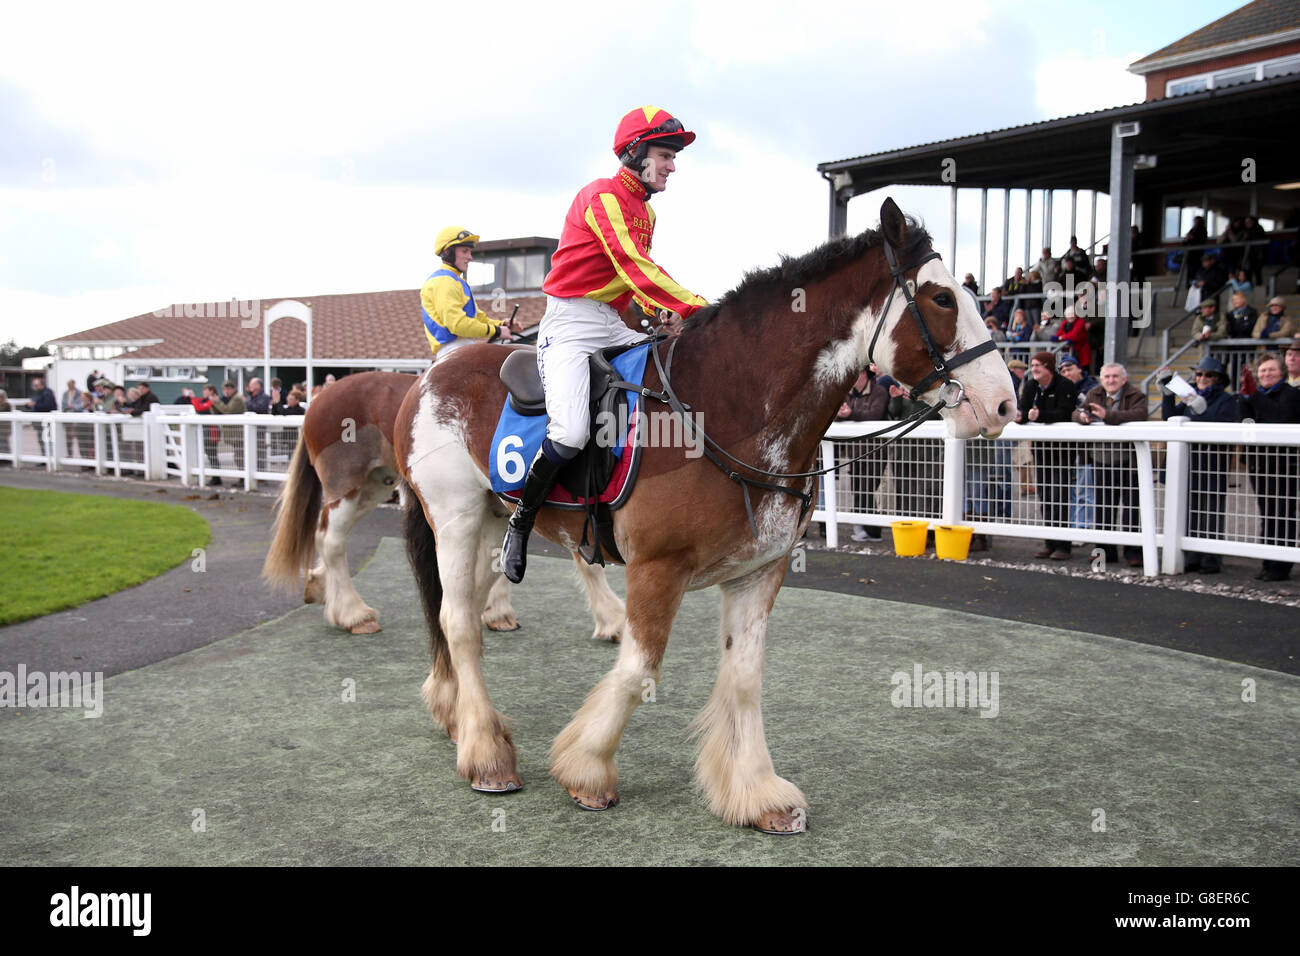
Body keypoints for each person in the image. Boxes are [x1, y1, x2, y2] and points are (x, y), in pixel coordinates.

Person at [500, 106, 707, 583]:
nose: (672, 165)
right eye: (665, 154)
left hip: (613, 323)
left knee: (674, 372)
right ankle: (521, 520)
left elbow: (632, 282)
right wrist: (701, 310)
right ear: (636, 153)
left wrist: (663, 315)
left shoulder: (645, 211)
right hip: (570, 325)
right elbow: (635, 267)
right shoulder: (601, 196)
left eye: (673, 156)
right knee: (570, 431)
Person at [1158, 356, 1239, 574]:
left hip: (1212, 464)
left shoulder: (1227, 400)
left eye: (1208, 375)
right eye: (1200, 374)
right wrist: (1167, 396)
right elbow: (1171, 420)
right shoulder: (1188, 396)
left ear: (1218, 379)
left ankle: (1210, 559)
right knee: (1187, 510)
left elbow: (1224, 428)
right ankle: (1191, 557)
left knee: (1211, 512)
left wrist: (1202, 412)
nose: (1202, 378)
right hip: (1188, 462)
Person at [1073, 363, 1147, 568]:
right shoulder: (1093, 393)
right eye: (1106, 376)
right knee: (1103, 509)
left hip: (1128, 462)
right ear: (1101, 378)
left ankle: (1133, 551)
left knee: (1131, 509)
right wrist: (1082, 417)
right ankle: (1105, 551)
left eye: (1115, 376)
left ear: (1124, 379)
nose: (1110, 380)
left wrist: (1108, 416)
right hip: (1100, 460)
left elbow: (1140, 415)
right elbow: (1075, 413)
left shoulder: (1136, 395)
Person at [1238, 353, 1300, 581]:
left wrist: (1254, 396)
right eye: (1262, 370)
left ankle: (1281, 566)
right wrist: (1245, 399)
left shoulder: (1291, 394)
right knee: (1267, 513)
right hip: (1259, 463)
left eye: (1271, 370)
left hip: (1284, 465)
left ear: (1282, 373)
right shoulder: (1254, 396)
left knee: (1283, 513)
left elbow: (1279, 416)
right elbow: (1246, 425)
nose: (1266, 374)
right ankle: (1267, 561)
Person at [1016, 351, 1077, 560]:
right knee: (1045, 496)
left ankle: (1063, 545)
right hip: (1041, 450)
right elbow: (1023, 411)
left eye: (1038, 365)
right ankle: (1049, 542)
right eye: (1032, 365)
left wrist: (1040, 415)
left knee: (1059, 496)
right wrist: (1019, 416)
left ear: (1049, 367)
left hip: (1062, 450)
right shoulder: (1031, 386)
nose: (1034, 369)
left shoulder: (1065, 386)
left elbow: (1065, 413)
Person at [420, 227, 512, 363]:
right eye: (465, 251)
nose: (470, 257)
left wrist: (503, 324)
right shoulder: (444, 281)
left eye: (470, 251)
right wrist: (497, 331)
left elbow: (478, 318)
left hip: (463, 348)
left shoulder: (456, 280)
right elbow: (458, 325)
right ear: (448, 252)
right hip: (453, 351)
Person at [836, 367, 889, 542]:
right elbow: (840, 412)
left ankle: (869, 529)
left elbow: (876, 414)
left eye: (857, 373)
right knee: (857, 489)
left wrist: (851, 414)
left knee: (867, 488)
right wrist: (841, 415)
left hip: (874, 451)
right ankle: (867, 529)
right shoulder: (847, 394)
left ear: (865, 374)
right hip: (854, 451)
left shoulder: (879, 392)